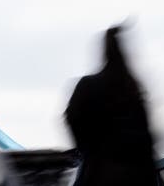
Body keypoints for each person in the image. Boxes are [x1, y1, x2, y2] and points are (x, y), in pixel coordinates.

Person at [65, 26, 158, 185]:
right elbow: (148, 137)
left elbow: (71, 118)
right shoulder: (133, 90)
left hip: (98, 172)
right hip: (138, 175)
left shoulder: (88, 85)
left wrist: (85, 148)